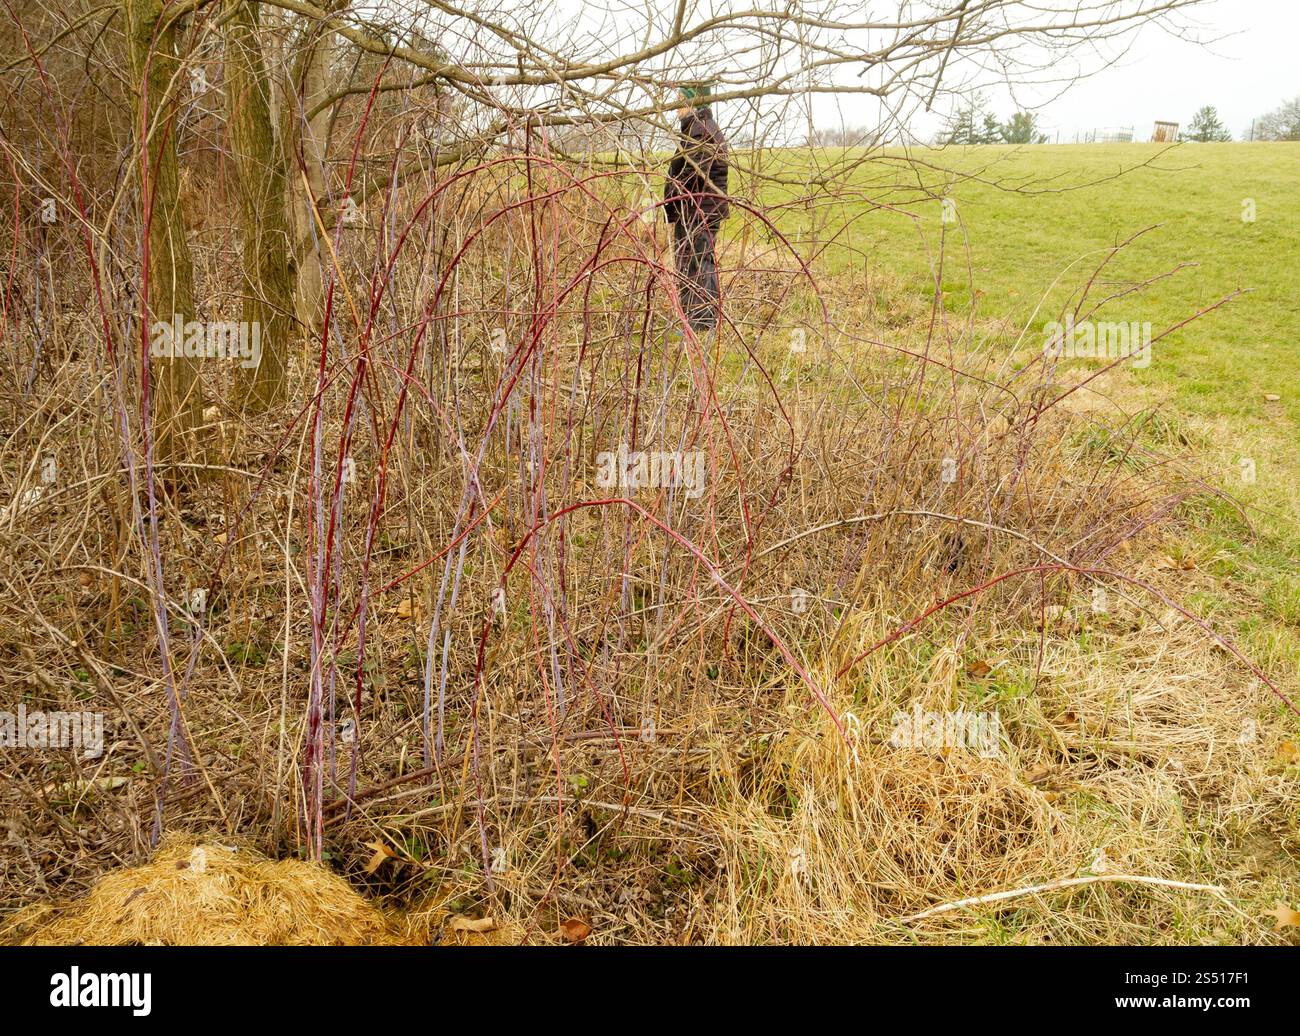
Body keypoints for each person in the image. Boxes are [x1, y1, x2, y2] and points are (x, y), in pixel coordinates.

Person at [663, 83, 729, 334]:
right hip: (693, 209)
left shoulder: (701, 131)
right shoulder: (696, 129)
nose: (676, 107)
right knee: (694, 262)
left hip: (699, 210)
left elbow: (691, 175)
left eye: (680, 101)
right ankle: (696, 318)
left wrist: (672, 195)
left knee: (698, 263)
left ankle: (701, 322)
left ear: (693, 102)